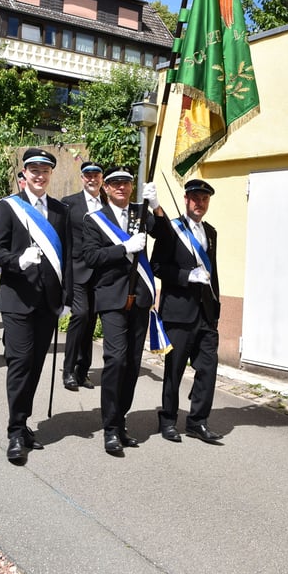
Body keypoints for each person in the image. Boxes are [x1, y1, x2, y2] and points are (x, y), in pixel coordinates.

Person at [0, 148, 70, 465]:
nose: (39, 176)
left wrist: (67, 297)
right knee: (20, 362)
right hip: (17, 299)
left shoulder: (60, 212)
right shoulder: (9, 207)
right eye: (34, 170)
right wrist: (18, 261)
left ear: (50, 175)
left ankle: (23, 422)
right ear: (25, 174)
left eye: (45, 171)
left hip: (48, 302)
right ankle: (15, 431)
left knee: (35, 365)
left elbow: (69, 258)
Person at [82, 165, 166, 456]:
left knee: (131, 362)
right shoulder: (95, 220)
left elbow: (165, 235)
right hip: (112, 298)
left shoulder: (138, 214)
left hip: (140, 296)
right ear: (106, 187)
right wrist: (124, 248)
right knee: (115, 359)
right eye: (115, 183)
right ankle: (109, 428)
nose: (121, 187)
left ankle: (121, 422)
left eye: (126, 183)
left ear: (132, 187)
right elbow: (90, 256)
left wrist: (155, 206)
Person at [151, 179, 223, 445]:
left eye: (204, 199)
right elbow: (156, 266)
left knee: (208, 368)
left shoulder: (211, 232)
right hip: (178, 313)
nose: (200, 203)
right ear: (186, 199)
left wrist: (215, 309)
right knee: (175, 370)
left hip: (205, 314)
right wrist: (186, 276)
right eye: (195, 198)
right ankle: (168, 419)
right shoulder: (172, 229)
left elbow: (213, 274)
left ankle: (197, 422)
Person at [61, 160, 105, 391]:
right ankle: (68, 370)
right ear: (82, 178)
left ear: (101, 178)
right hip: (77, 271)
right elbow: (63, 241)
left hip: (101, 274)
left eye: (96, 175)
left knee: (91, 322)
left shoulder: (108, 204)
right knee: (80, 315)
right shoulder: (69, 204)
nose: (92, 179)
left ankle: (82, 371)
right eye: (88, 175)